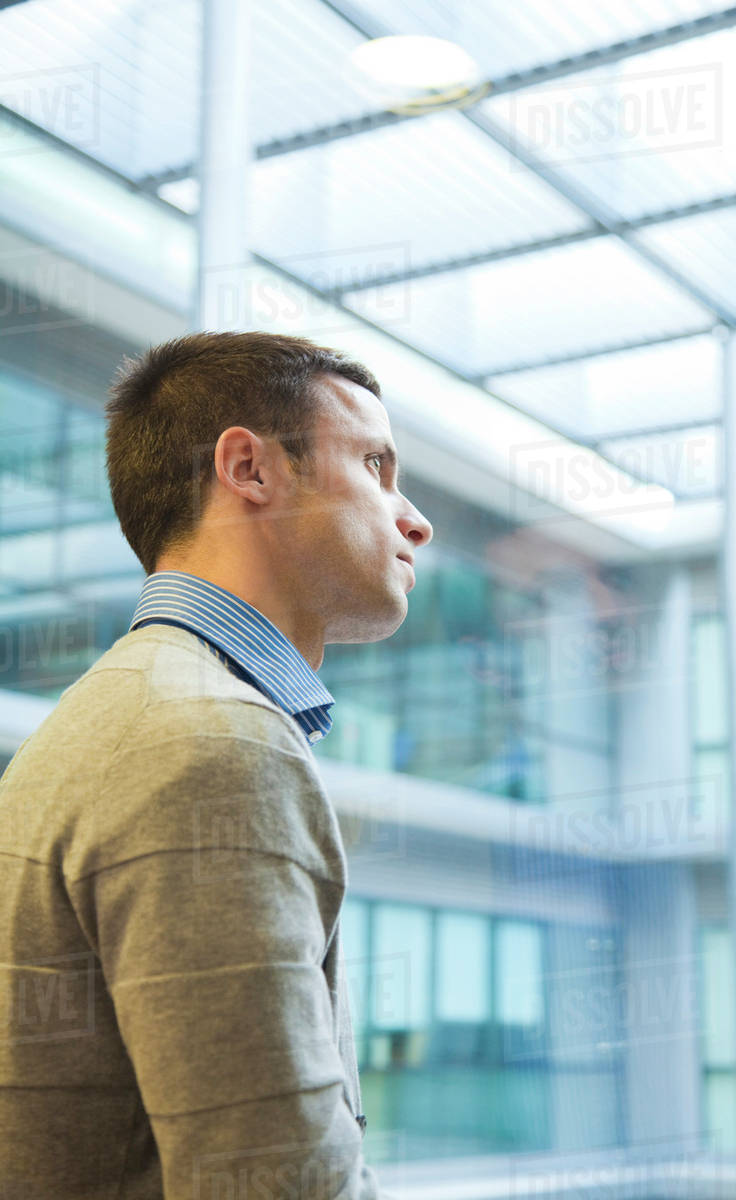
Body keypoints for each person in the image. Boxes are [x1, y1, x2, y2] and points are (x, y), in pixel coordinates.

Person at [0, 331, 434, 1199]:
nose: (416, 519)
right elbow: (275, 1181)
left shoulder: (103, 719)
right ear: (250, 468)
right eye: (375, 465)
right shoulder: (213, 744)